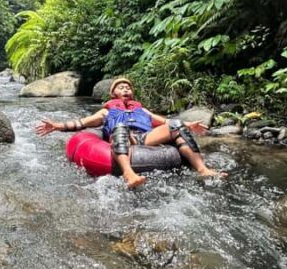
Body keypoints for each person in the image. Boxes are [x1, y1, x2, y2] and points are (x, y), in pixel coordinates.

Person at [35, 77, 226, 188]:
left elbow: (166, 122)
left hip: (144, 138)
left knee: (176, 125)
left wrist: (189, 125)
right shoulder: (107, 111)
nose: (125, 89)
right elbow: (81, 123)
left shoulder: (141, 110)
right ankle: (129, 174)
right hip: (124, 137)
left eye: (128, 87)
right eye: (121, 87)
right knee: (120, 127)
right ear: (113, 94)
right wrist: (57, 126)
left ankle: (203, 170)